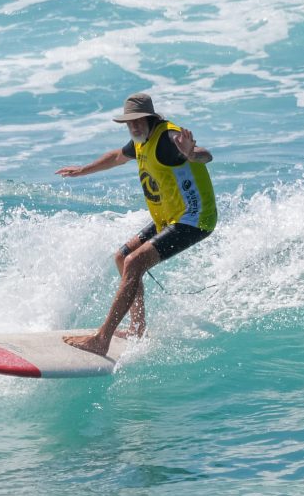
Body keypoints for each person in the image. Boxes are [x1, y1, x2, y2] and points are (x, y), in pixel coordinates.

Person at [55, 92, 216, 356]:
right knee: (122, 257)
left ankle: (101, 339)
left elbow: (204, 154)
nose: (134, 126)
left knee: (133, 263)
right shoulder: (141, 140)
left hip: (195, 219)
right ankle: (137, 328)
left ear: (151, 118)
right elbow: (117, 156)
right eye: (129, 122)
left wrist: (190, 153)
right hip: (170, 217)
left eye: (139, 120)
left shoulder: (167, 139)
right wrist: (83, 170)